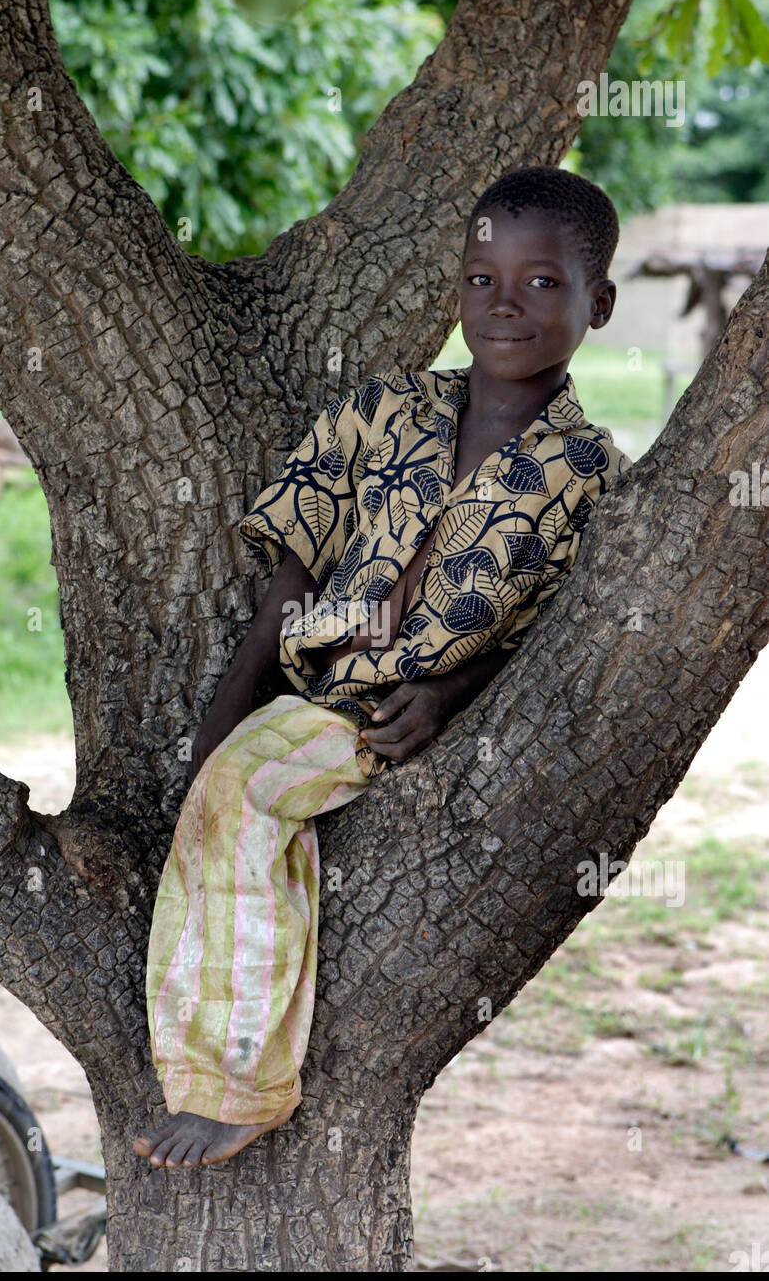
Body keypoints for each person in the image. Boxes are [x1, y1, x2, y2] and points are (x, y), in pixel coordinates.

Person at [133, 165, 634, 1170]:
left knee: (243, 794)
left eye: (541, 283)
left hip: (394, 716)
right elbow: (289, 587)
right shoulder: (383, 410)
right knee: (230, 792)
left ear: (598, 303)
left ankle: (239, 1084)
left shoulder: (588, 470)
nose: (503, 304)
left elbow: (565, 643)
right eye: (480, 277)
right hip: (311, 685)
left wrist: (450, 693)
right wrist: (211, 731)